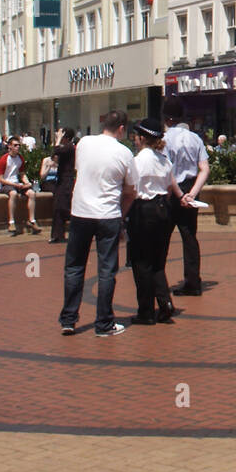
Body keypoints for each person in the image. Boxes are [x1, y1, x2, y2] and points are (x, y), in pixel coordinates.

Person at [60, 111, 136, 336]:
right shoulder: (124, 153)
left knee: (74, 267)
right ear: (121, 128)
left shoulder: (84, 143)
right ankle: (104, 323)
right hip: (108, 215)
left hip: (81, 212)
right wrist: (121, 217)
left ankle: (69, 319)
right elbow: (131, 191)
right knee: (106, 270)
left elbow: (80, 170)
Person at [126, 117, 190, 325]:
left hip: (144, 210)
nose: (134, 140)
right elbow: (171, 188)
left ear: (142, 138)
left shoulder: (139, 160)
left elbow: (132, 189)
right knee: (158, 262)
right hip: (163, 209)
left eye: (136, 136)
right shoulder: (164, 161)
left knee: (141, 262)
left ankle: (145, 311)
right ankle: (164, 304)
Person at [162, 96, 210, 295]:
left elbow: (166, 169)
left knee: (162, 237)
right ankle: (193, 281)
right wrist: (192, 193)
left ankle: (160, 283)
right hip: (191, 188)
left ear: (167, 118)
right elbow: (205, 168)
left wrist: (179, 194)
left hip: (170, 191)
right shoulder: (196, 138)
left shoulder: (164, 139)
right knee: (190, 237)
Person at [0, 136, 40, 234]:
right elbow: (0, 179)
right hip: (6, 184)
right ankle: (11, 222)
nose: (18, 147)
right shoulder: (4, 159)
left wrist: (27, 182)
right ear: (9, 146)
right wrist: (14, 184)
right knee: (13, 194)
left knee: (32, 193)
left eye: (19, 145)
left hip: (17, 183)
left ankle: (32, 220)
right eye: (15, 145)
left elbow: (22, 173)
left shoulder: (20, 158)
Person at [47, 128, 76, 244]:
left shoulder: (69, 147)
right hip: (62, 180)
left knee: (62, 207)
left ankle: (67, 233)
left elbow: (56, 150)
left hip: (66, 181)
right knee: (58, 207)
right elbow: (53, 154)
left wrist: (58, 139)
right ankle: (57, 235)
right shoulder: (67, 147)